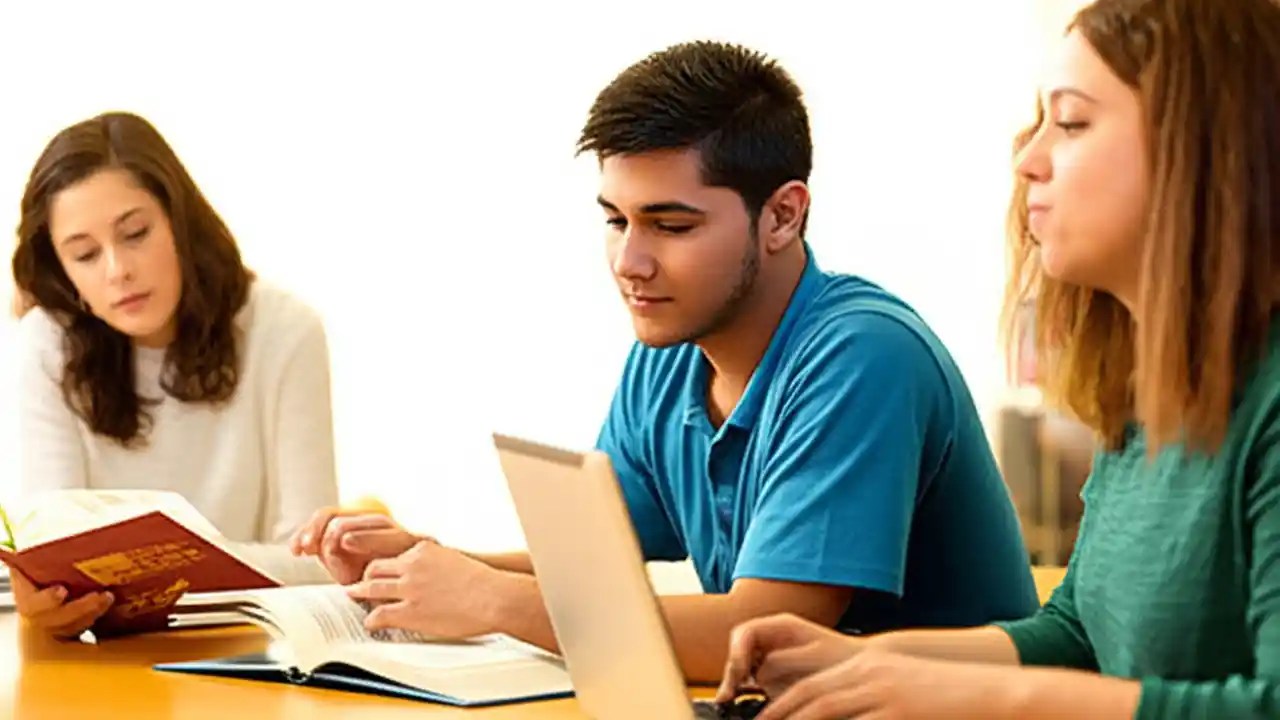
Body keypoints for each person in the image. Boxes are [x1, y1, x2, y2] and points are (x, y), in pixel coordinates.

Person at [290, 40, 1039, 682]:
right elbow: (598, 564)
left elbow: (770, 632)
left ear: (783, 214)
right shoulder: (669, 352)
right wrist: (429, 563)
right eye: (615, 220)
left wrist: (492, 602)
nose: (630, 262)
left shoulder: (864, 356)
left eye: (670, 225)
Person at [715, 1, 1280, 717]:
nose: (1027, 159)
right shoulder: (1146, 391)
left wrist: (982, 696)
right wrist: (864, 661)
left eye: (1070, 122)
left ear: (1205, 147)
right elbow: (1077, 633)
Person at [8, 111, 340, 638]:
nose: (118, 270)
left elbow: (319, 565)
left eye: (135, 233)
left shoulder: (283, 331)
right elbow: (49, 542)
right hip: (101, 659)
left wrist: (158, 569)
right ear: (64, 273)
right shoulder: (46, 345)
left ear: (178, 222)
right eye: (85, 254)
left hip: (244, 647)